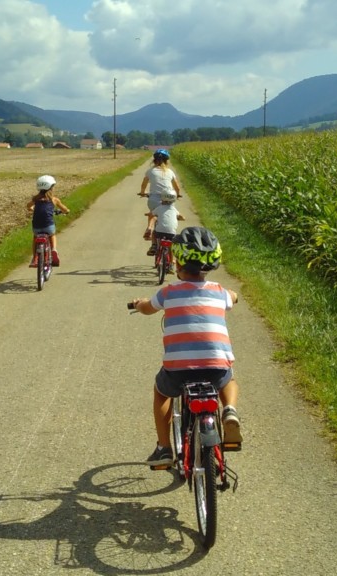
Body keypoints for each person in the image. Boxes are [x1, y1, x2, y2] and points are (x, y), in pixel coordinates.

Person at [129, 226, 242, 468]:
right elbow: (232, 297)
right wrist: (233, 295)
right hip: (215, 366)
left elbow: (148, 307)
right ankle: (229, 409)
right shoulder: (219, 292)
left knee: (161, 392)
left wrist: (139, 304)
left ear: (177, 262)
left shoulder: (168, 292)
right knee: (228, 378)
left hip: (179, 369)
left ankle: (164, 448)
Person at [138, 148, 182, 251]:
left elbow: (144, 184)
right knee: (170, 213)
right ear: (167, 161)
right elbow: (177, 187)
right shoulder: (170, 172)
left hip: (153, 199)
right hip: (169, 198)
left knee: (153, 214)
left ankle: (150, 231)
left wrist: (142, 192)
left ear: (154, 160)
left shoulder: (150, 171)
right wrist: (178, 195)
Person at [27, 174, 70, 267]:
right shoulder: (54, 200)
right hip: (48, 226)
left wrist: (31, 209)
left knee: (35, 237)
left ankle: (35, 258)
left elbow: (28, 206)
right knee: (52, 234)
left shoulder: (35, 199)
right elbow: (64, 209)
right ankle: (54, 249)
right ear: (51, 188)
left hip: (36, 227)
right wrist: (67, 211)